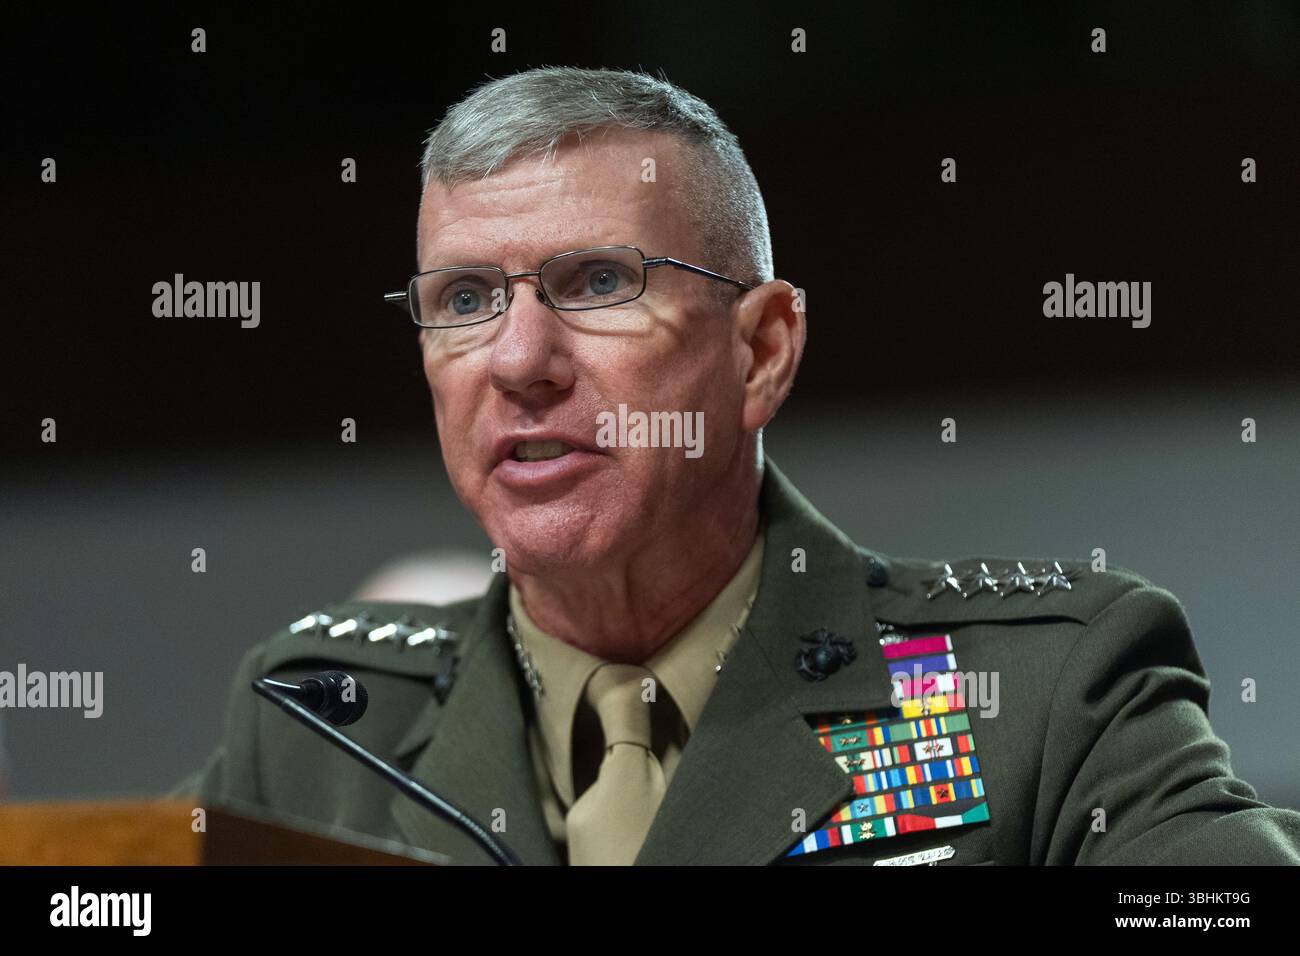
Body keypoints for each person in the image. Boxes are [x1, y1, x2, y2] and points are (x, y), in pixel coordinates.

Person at [175, 66, 1300, 866]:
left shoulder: (1043, 699)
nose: (518, 359)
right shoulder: (323, 727)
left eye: (596, 282)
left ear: (760, 350)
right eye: (463, 300)